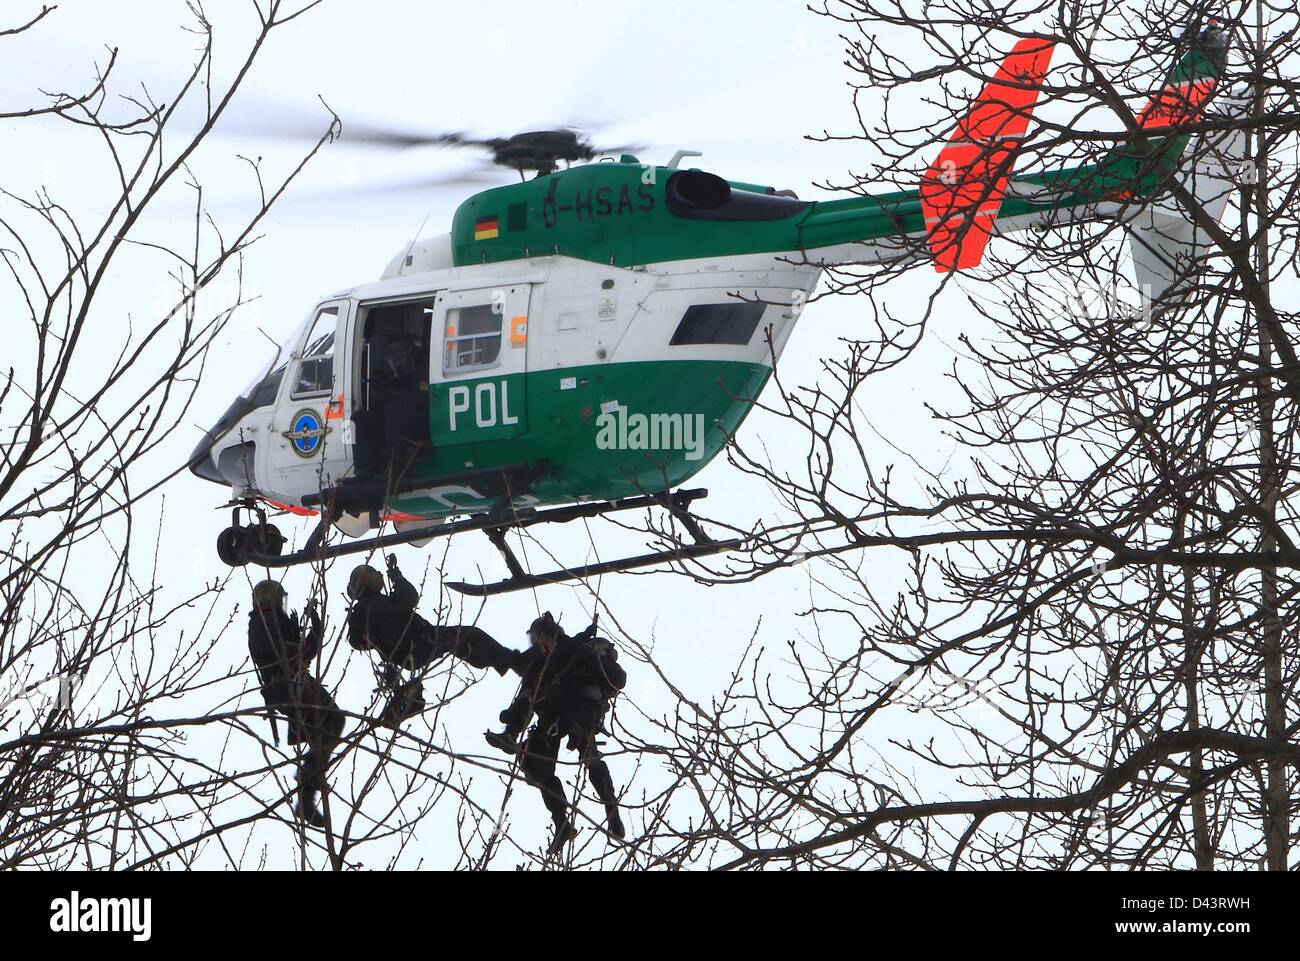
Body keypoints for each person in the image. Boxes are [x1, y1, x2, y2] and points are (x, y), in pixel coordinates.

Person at [484, 612, 627, 854]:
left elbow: (618, 679)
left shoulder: (576, 651)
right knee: (535, 763)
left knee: (589, 755)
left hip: (579, 709)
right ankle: (562, 824)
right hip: (554, 713)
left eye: (539, 638)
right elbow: (529, 692)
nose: (538, 645)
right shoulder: (541, 665)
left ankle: (610, 809)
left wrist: (585, 651)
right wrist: (514, 714)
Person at [346, 555, 524, 726]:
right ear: (368, 580)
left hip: (404, 654)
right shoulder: (379, 605)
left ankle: (409, 700)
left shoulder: (361, 612)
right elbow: (410, 597)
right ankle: (513, 661)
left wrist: (380, 639)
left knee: (462, 643)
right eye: (375, 573)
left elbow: (356, 642)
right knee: (470, 636)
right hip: (422, 642)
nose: (380, 575)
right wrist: (396, 576)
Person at [247, 579, 344, 828]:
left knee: (325, 728)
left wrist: (313, 629)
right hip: (287, 687)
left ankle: (307, 793)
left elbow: (300, 651)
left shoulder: (269, 622)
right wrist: (312, 635)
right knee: (333, 720)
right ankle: (307, 786)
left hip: (291, 685)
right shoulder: (264, 624)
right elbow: (297, 653)